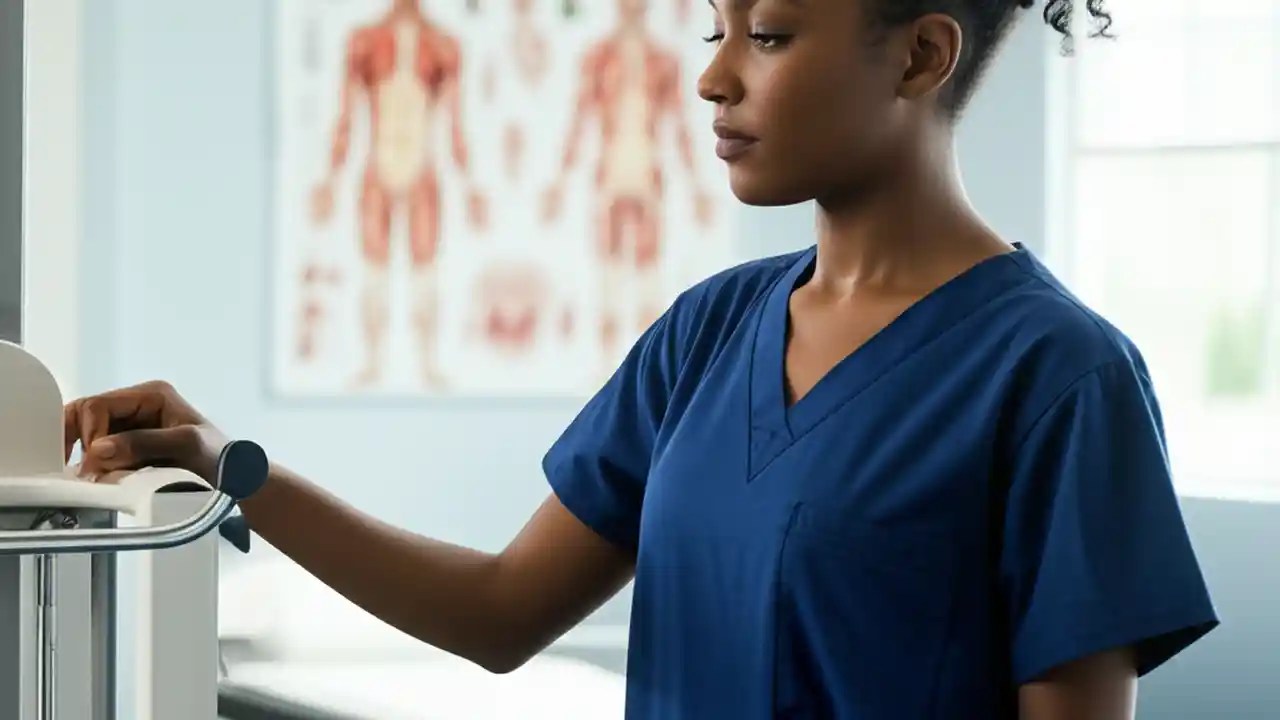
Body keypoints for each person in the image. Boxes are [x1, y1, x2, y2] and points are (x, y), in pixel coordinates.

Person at [65, 0, 1219, 717]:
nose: (713, 77)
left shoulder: (1059, 377)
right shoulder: (704, 334)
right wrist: (234, 471)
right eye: (713, 32)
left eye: (764, 36)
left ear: (919, 56)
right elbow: (498, 613)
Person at [306, 0, 486, 390]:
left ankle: (426, 362)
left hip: (422, 169)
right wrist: (330, 181)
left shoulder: (442, 45)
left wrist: (470, 184)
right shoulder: (365, 42)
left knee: (424, 270)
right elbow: (346, 116)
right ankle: (373, 361)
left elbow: (455, 123)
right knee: (375, 270)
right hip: (378, 168)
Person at [542, 0, 715, 376]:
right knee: (609, 266)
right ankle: (606, 369)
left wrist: (697, 186)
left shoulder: (664, 61)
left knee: (647, 266)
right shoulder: (598, 58)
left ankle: (649, 373)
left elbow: (679, 127)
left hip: (647, 170)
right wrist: (559, 181)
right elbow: (579, 120)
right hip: (610, 171)